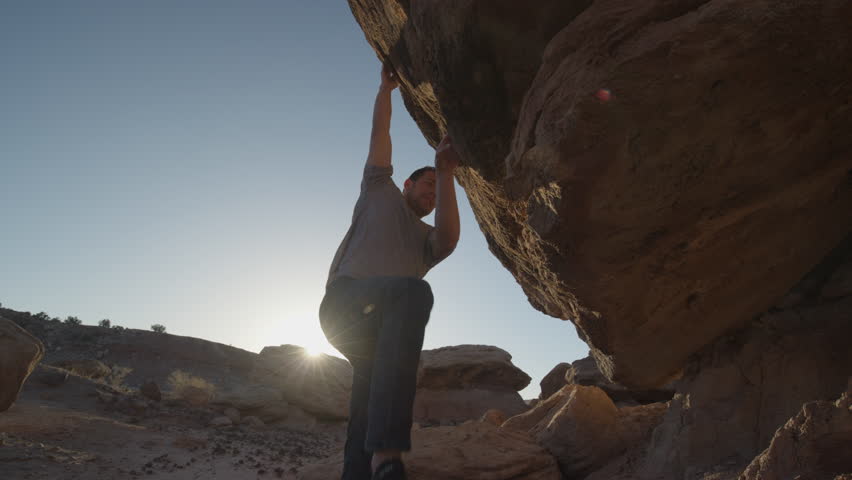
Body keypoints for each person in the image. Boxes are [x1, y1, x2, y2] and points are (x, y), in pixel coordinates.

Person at [318, 63, 461, 480]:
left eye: (438, 191)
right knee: (413, 294)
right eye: (428, 185)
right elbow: (380, 138)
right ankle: (389, 454)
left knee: (364, 414)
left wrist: (448, 173)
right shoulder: (378, 188)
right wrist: (386, 92)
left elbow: (450, 238)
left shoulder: (426, 242)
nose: (433, 194)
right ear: (407, 185)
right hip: (344, 305)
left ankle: (366, 470)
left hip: (377, 337)